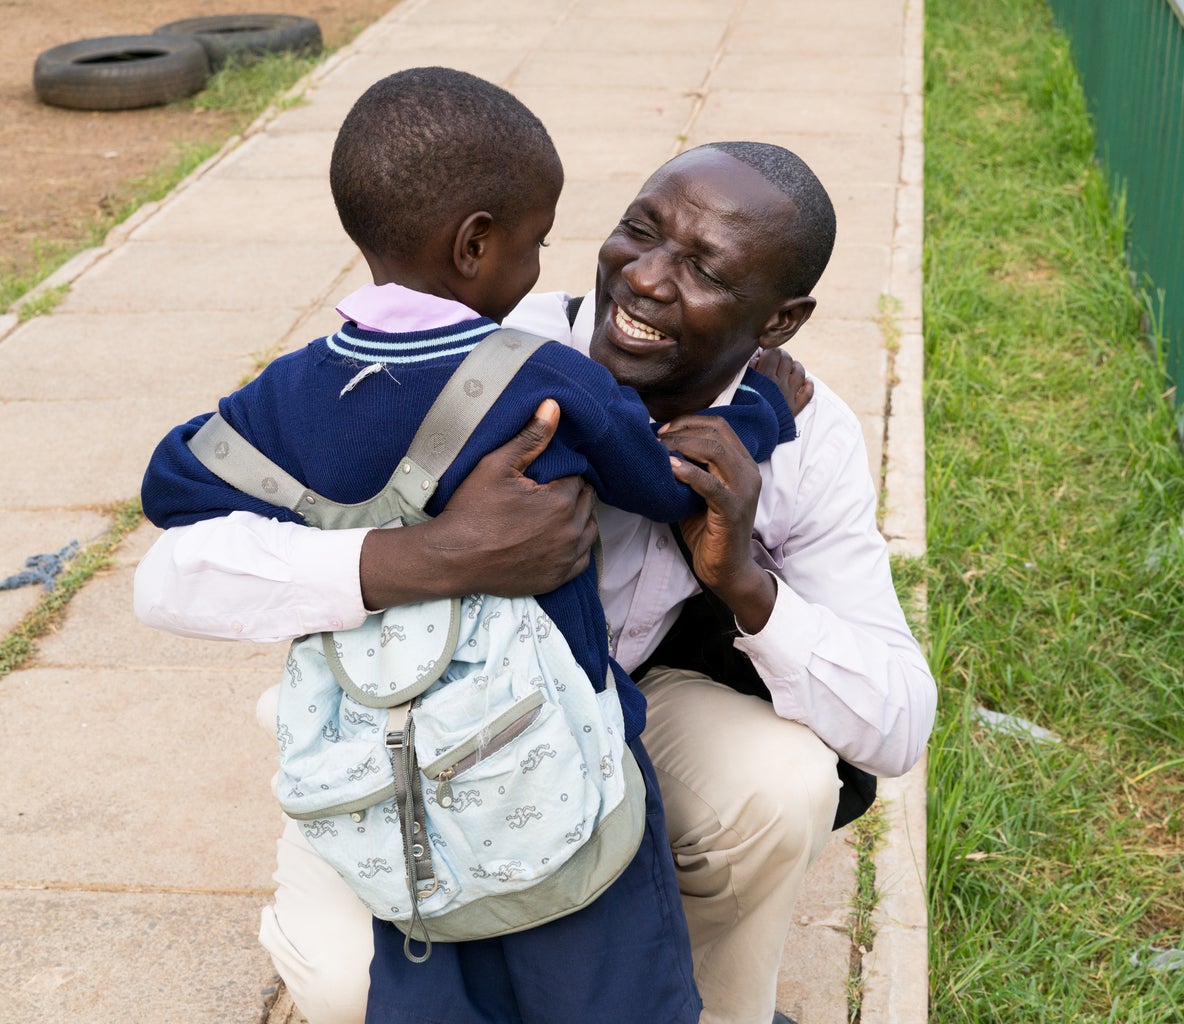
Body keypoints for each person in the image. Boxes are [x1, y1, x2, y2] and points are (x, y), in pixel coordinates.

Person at [136, 138, 937, 1024]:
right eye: (640, 230)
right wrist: (435, 555)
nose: (646, 279)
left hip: (615, 712)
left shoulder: (811, 439)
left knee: (779, 786)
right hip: (414, 731)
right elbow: (170, 577)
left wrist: (746, 581)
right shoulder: (474, 356)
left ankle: (713, 1010)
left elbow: (898, 721)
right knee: (351, 989)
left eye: (705, 268)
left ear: (779, 322)